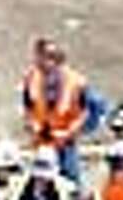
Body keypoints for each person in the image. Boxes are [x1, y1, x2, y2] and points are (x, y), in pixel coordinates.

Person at [21, 40, 89, 185]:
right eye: (39, 57)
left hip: (64, 143)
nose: (41, 63)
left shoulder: (76, 82)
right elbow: (28, 107)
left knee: (71, 181)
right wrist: (31, 125)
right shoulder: (31, 78)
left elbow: (83, 113)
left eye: (47, 58)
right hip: (41, 142)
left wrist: (68, 133)